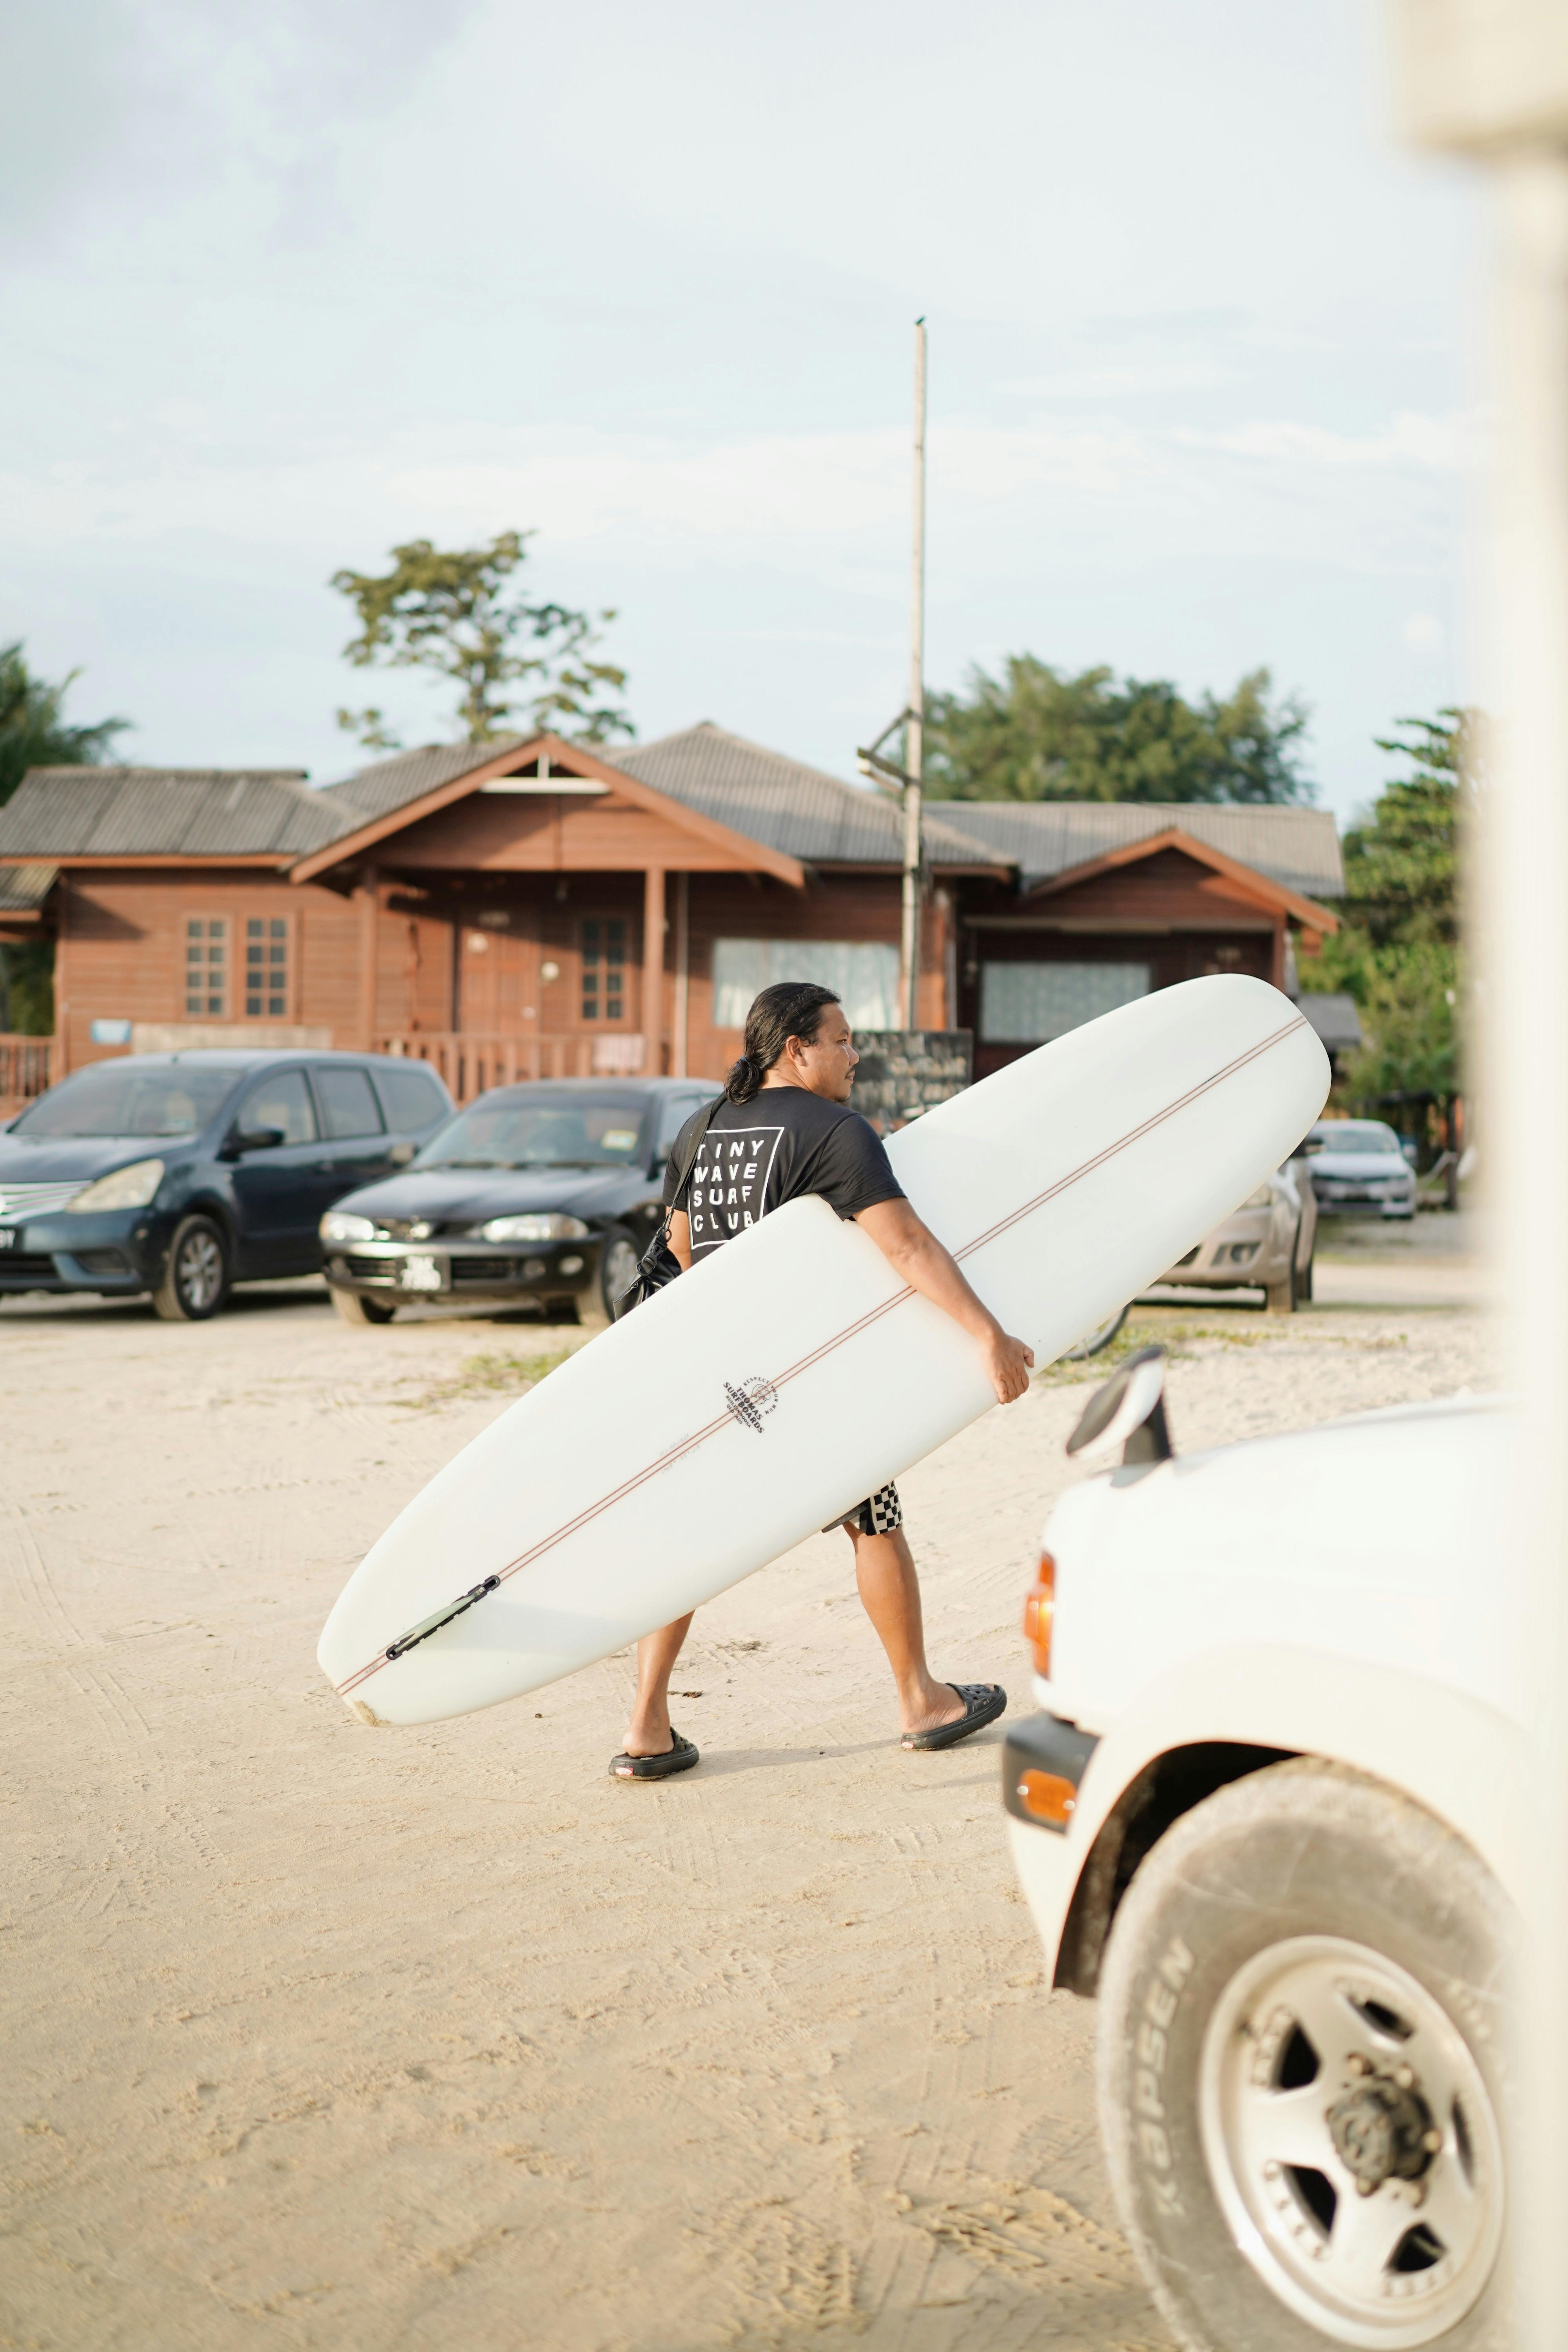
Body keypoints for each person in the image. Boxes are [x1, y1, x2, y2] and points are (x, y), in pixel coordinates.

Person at [610, 979, 1035, 1781]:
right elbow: (905, 1245)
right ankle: (921, 1702)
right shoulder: (836, 1130)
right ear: (795, 1049)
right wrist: (988, 1335)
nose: (854, 1054)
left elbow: (682, 1249)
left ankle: (646, 1727)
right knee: (873, 1519)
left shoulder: (702, 1127)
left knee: (689, 1539)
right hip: (804, 1380)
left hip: (717, 1381)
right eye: (840, 1040)